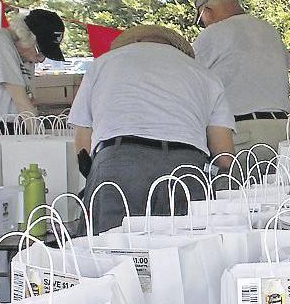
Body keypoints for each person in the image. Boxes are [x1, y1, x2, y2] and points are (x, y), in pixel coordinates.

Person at [69, 25, 236, 233]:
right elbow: (225, 157)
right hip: (185, 169)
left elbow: (83, 141)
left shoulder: (103, 64)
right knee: (183, 257)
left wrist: (95, 176)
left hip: (118, 165)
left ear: (134, 41)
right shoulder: (205, 75)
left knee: (108, 255)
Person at [193, 0, 290, 159]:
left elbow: (189, 78)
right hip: (284, 131)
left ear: (206, 11)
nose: (204, 25)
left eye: (201, 21)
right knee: (289, 187)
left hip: (243, 134)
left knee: (236, 187)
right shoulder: (270, 31)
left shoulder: (214, 33)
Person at [0, 9, 66, 125]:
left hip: (16, 127)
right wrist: (40, 138)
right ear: (24, 36)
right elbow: (22, 102)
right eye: (40, 52)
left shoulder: (26, 54)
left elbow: (28, 104)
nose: (41, 59)